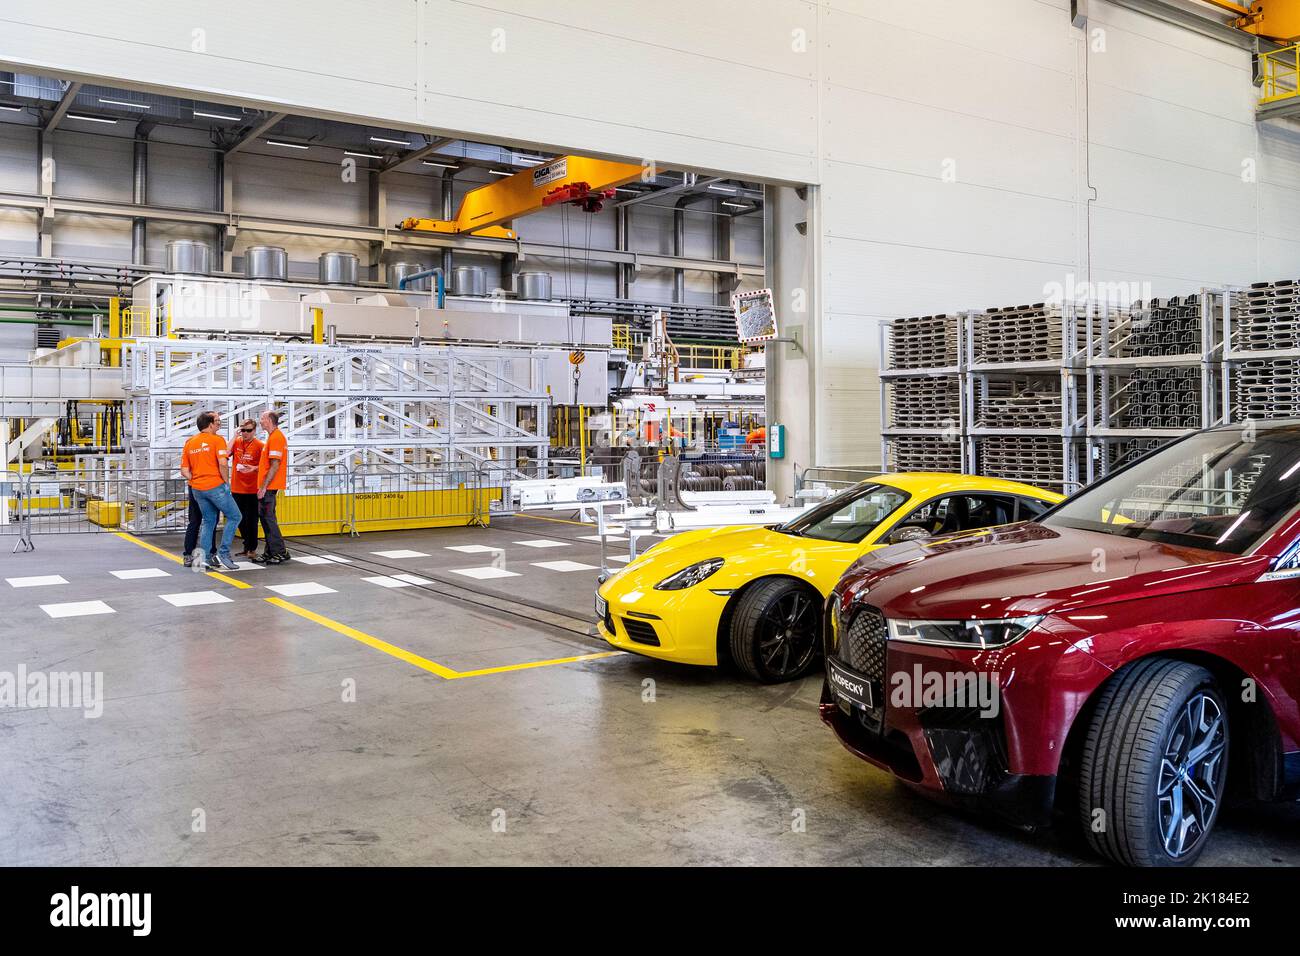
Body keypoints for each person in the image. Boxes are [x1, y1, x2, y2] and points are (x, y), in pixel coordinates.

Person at [180, 410, 242, 571]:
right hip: (215, 486)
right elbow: (223, 463)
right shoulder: (217, 440)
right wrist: (226, 483)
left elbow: (184, 470)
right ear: (210, 424)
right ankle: (224, 553)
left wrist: (195, 480)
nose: (219, 423)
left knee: (208, 521)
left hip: (197, 489)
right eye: (217, 421)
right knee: (235, 516)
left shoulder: (190, 442)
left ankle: (206, 557)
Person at [251, 408, 291, 565]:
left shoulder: (276, 438)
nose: (260, 421)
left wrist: (263, 487)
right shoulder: (273, 437)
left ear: (269, 421)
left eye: (262, 418)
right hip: (269, 486)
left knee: (268, 520)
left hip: (269, 487)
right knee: (267, 520)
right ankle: (270, 552)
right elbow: (269, 465)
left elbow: (275, 465)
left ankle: (279, 552)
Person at [228, 418, 264, 559]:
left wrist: (254, 468)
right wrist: (234, 436)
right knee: (239, 518)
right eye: (243, 430)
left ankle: (251, 548)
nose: (245, 433)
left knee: (252, 520)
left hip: (252, 489)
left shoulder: (260, 445)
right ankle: (246, 545)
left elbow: (265, 466)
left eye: (248, 430)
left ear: (254, 431)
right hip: (237, 488)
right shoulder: (237, 442)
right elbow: (225, 453)